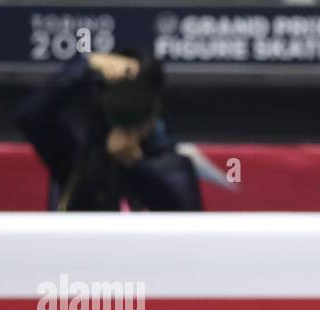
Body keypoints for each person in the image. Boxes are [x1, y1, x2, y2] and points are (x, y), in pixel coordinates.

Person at [16, 52, 202, 212]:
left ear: (155, 108)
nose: (129, 107)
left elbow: (188, 226)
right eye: (120, 96)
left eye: (138, 99)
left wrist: (135, 166)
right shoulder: (77, 159)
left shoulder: (173, 166)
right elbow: (30, 116)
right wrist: (84, 66)